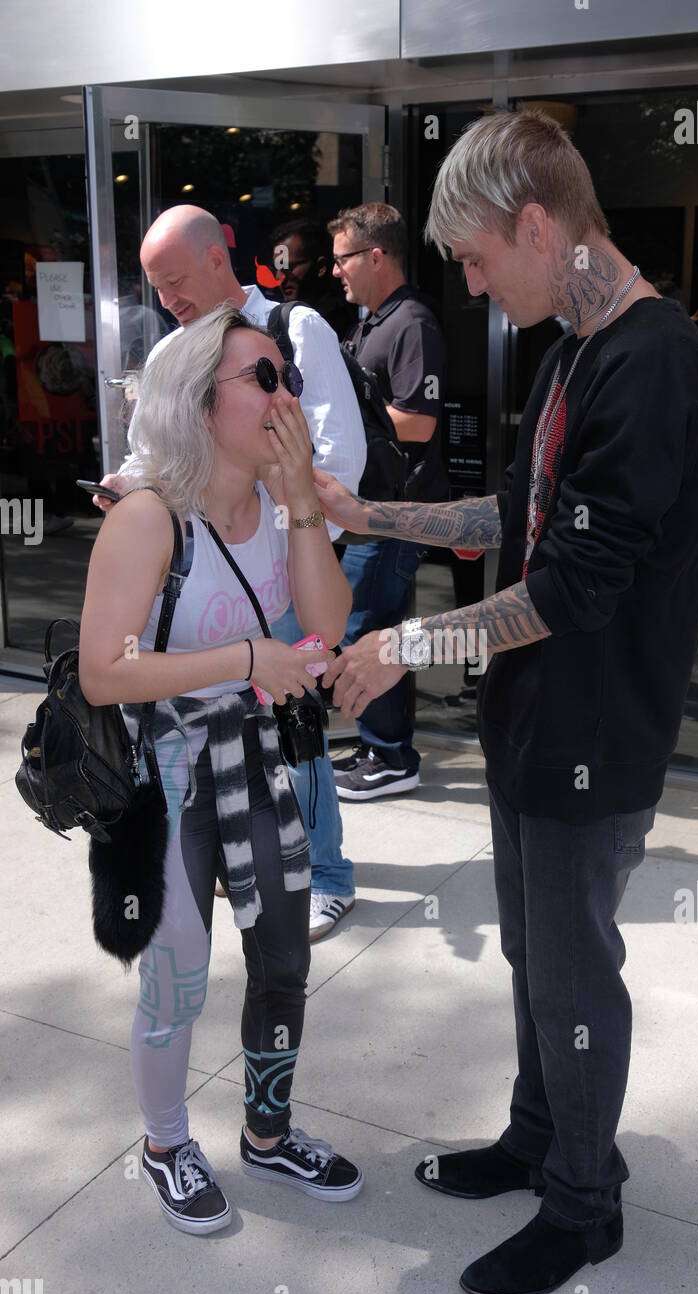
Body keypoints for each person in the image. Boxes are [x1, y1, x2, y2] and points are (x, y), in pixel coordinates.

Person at [314, 109, 698, 1294]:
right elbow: (509, 518)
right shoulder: (568, 347)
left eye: (480, 258)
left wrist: (404, 640)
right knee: (533, 965)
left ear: (536, 224)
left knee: (570, 974)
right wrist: (364, 516)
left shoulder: (653, 360)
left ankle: (583, 1206)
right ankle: (538, 1134)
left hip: (594, 736)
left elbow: (573, 587)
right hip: (529, 726)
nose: (475, 285)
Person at [78, 306, 361, 1234]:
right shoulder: (149, 517)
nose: (289, 395)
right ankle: (165, 1144)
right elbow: (103, 669)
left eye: (288, 376)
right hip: (164, 772)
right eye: (265, 378)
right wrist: (246, 659)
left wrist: (302, 503)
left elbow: (323, 633)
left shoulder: (279, 512)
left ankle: (269, 1135)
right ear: (203, 403)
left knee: (283, 958)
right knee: (178, 978)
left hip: (253, 758)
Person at [94, 205, 362, 943]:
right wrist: (135, 493)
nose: (167, 298)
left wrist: (291, 524)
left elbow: (338, 451)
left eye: (175, 279)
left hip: (278, 556)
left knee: (294, 728)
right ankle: (225, 862)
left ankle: (326, 873)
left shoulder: (294, 331)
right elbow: (157, 458)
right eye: (154, 286)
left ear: (219, 258)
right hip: (202, 562)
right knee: (209, 735)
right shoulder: (171, 358)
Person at [327, 202, 448, 800]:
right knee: (377, 627)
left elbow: (419, 423)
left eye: (343, 258)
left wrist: (346, 427)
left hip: (397, 515)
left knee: (365, 628)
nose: (335, 271)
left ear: (376, 256)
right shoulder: (376, 322)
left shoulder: (412, 324)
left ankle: (392, 757)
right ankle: (382, 745)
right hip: (371, 512)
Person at [270, 217, 357, 340]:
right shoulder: (283, 317)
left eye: (289, 267)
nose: (280, 277)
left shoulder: (333, 323)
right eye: (277, 268)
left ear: (320, 267)